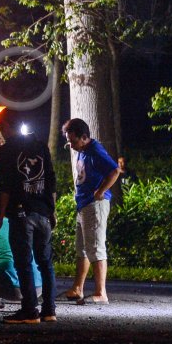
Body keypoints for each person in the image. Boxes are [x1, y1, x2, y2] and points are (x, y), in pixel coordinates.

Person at [0, 109, 57, 324]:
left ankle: (30, 311)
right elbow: (51, 181)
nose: (0, 131)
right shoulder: (41, 146)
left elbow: (5, 187)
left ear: (6, 126)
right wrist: (52, 211)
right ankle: (49, 311)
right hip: (43, 212)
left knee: (24, 262)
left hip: (21, 214)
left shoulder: (6, 151)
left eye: (1, 126)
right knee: (45, 263)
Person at [61, 118, 120, 305]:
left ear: (84, 137)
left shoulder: (95, 150)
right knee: (82, 248)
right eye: (69, 142)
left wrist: (100, 191)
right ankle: (78, 288)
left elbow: (114, 171)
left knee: (95, 247)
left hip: (95, 205)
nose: (71, 145)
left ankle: (101, 293)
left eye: (73, 141)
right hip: (83, 205)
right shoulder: (83, 151)